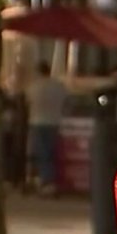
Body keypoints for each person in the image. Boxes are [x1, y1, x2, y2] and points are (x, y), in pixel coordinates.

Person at [25, 62, 69, 195]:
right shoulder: (58, 86)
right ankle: (51, 181)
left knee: (41, 154)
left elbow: (27, 102)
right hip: (54, 122)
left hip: (37, 122)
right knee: (51, 153)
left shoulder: (33, 87)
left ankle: (46, 181)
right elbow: (66, 101)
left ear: (38, 72)